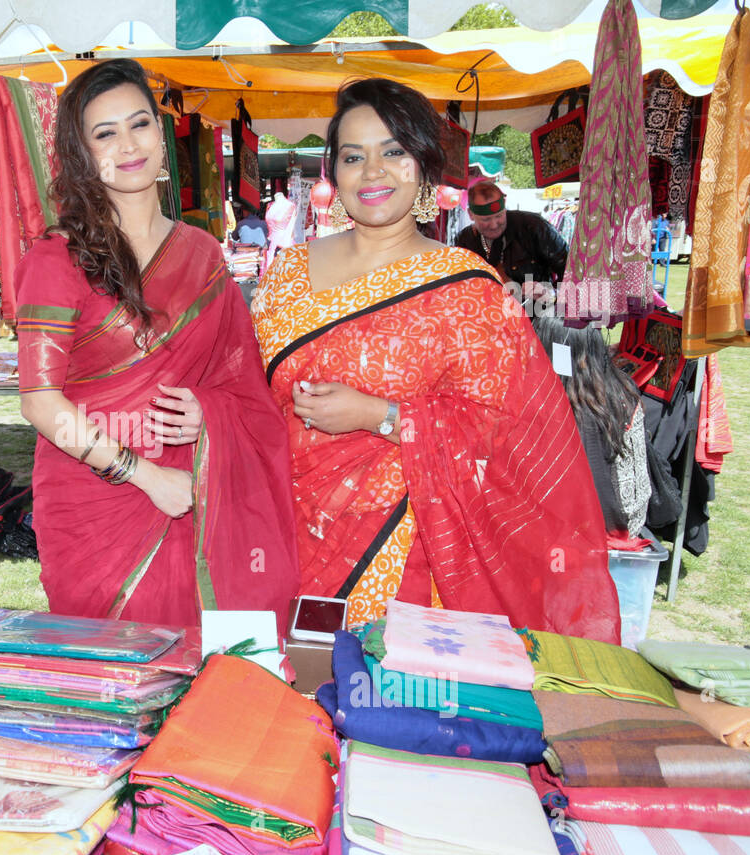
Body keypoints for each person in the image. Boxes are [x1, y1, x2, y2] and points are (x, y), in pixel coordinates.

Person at [250, 77, 621, 643]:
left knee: (384, 711)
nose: (373, 172)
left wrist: (381, 416)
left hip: (407, 552)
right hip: (286, 536)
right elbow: (250, 402)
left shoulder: (468, 290)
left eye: (393, 152)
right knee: (293, 704)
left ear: (423, 165)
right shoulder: (286, 276)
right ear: (334, 172)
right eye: (354, 156)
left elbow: (507, 435)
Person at [15, 59, 298, 628]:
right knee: (115, 681)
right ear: (81, 154)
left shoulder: (203, 254)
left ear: (161, 136)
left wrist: (208, 412)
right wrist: (143, 475)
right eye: (105, 133)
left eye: (139, 124)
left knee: (198, 678)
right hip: (94, 499)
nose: (127, 145)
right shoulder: (56, 258)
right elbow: (41, 404)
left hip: (196, 481)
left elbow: (236, 380)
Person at [531, 316, 651, 538]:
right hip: (614, 526)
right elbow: (634, 493)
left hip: (542, 528)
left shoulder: (527, 402)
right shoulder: (623, 397)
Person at [455, 179, 569, 307]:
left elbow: (572, 271)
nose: (493, 225)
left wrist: (552, 293)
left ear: (504, 204)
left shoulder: (534, 227)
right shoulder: (464, 240)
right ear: (471, 215)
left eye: (499, 216)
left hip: (536, 316)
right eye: (485, 219)